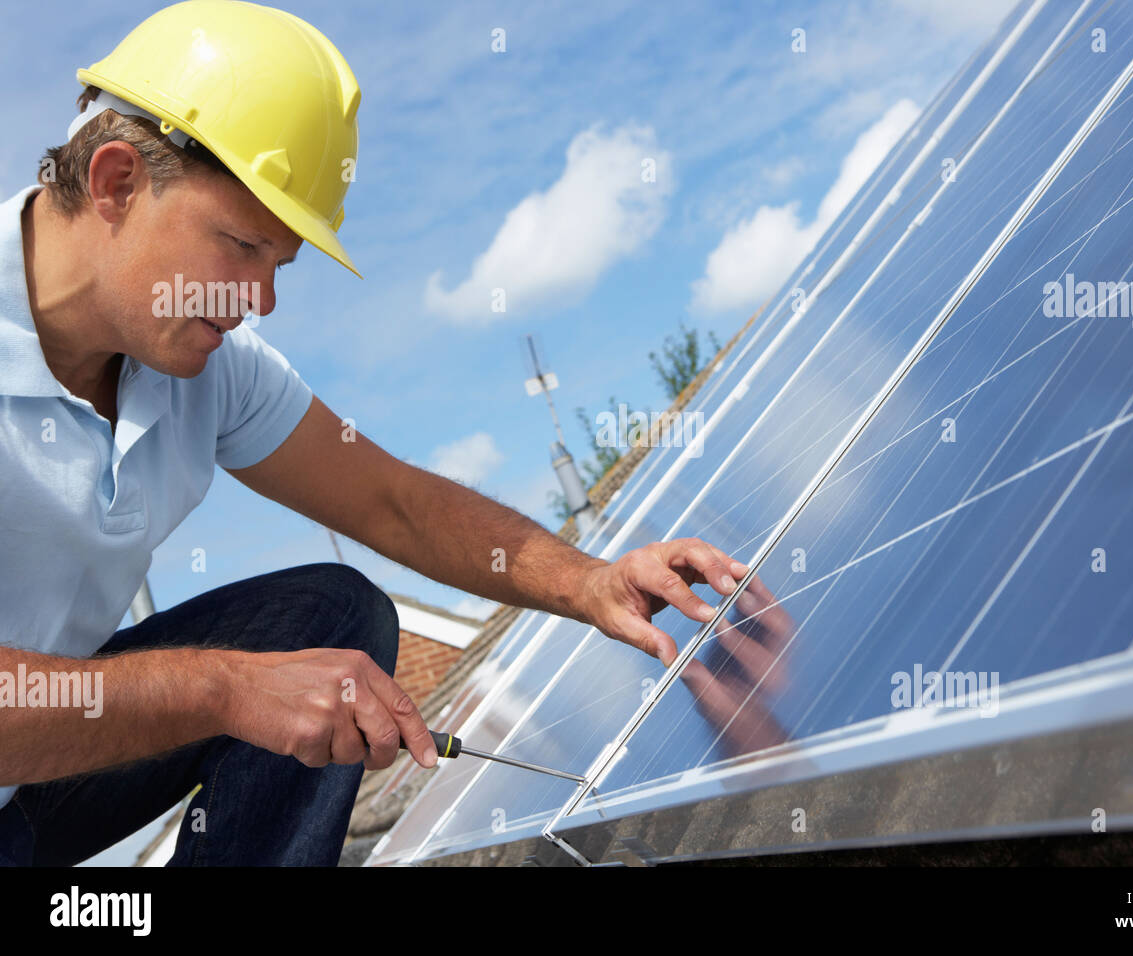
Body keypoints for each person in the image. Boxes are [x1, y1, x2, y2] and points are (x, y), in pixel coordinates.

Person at [0, 0, 747, 866]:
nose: (258, 301)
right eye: (238, 246)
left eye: (277, 265)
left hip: (38, 782)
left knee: (332, 617)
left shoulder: (201, 363)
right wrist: (226, 689)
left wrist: (589, 583)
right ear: (117, 182)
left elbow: (395, 503)